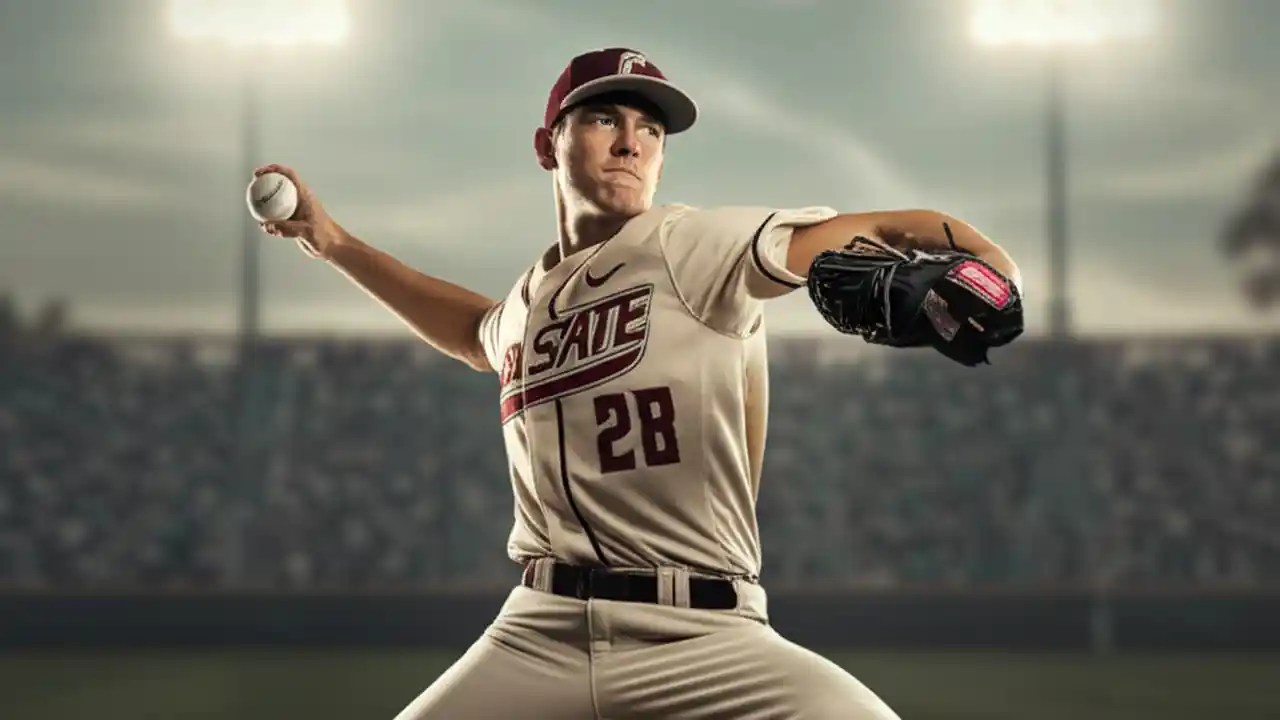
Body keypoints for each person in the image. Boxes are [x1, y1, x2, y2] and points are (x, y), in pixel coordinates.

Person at [257, 46, 1021, 719]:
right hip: (538, 630)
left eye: (651, 131)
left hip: (705, 636)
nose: (631, 143)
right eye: (603, 120)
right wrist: (330, 242)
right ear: (546, 145)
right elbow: (473, 333)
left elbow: (889, 230)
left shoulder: (692, 246)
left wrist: (998, 273)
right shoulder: (529, 301)